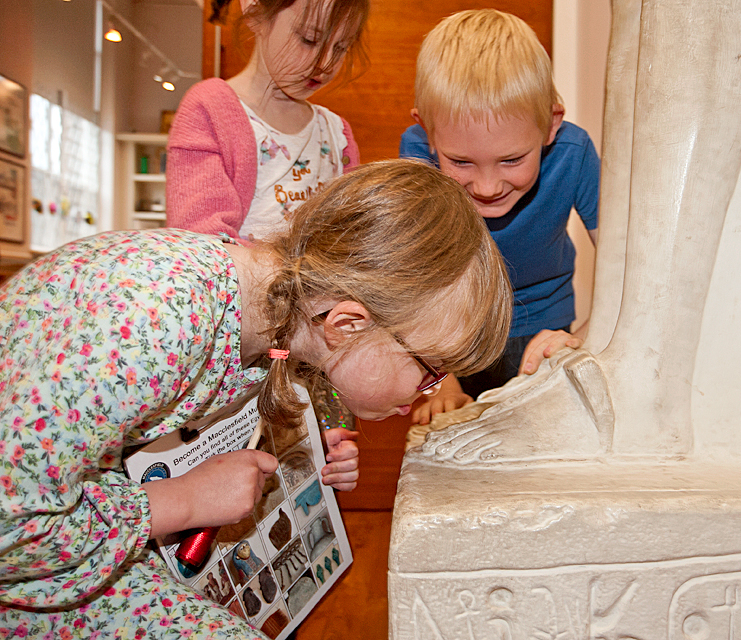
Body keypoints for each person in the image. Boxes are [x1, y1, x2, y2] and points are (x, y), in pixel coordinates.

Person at [0, 160, 512, 637]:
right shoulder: (158, 322)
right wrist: (183, 501)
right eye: (430, 370)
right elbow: (11, 523)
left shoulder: (269, 321)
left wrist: (310, 446)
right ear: (348, 324)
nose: (427, 390)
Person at [399, 9, 600, 424]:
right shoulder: (416, 156)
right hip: (453, 336)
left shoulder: (574, 153)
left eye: (511, 159)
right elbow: (414, 281)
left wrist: (584, 337)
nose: (487, 187)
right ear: (428, 134)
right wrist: (440, 376)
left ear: (550, 125)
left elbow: (626, 266)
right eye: (461, 161)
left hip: (544, 328)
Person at [166, 0, 368, 242]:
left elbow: (348, 238)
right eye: (309, 40)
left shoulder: (338, 135)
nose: (324, 63)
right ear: (256, 14)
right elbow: (203, 244)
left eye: (340, 48)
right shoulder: (209, 110)